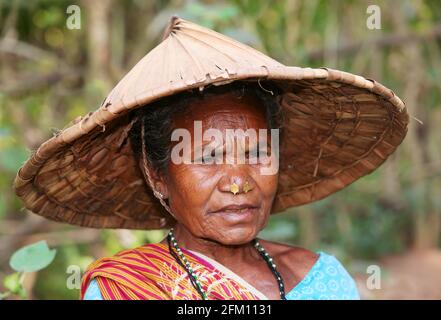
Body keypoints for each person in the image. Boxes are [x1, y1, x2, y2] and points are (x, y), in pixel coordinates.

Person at [13, 16, 409, 300]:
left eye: (257, 152)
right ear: (157, 177)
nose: (238, 180)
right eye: (208, 156)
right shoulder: (126, 290)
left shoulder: (323, 282)